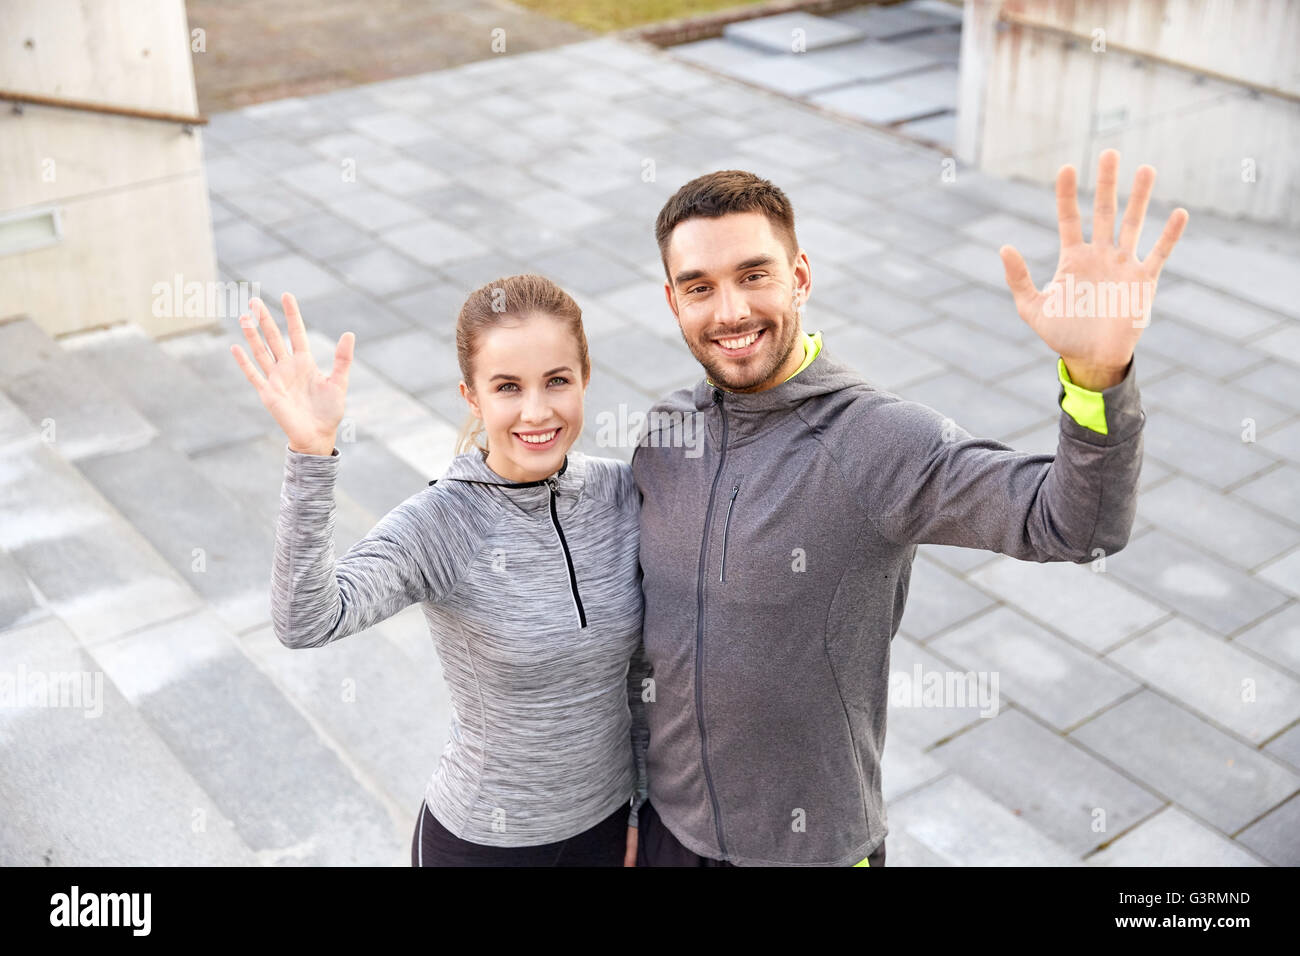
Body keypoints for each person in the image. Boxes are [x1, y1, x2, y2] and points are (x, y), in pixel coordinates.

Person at [631, 152, 1188, 866]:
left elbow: (1076, 525)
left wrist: (1097, 378)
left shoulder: (879, 441)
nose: (731, 310)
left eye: (754, 275)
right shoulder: (663, 435)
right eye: (699, 287)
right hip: (666, 837)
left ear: (800, 277)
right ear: (674, 302)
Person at [229, 274, 650, 867]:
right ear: (472, 397)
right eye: (507, 387)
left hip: (606, 833)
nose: (536, 410)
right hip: (482, 846)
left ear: (584, 377)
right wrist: (311, 451)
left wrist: (641, 808)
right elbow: (305, 620)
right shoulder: (442, 523)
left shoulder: (621, 493)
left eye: (556, 380)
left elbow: (642, 680)